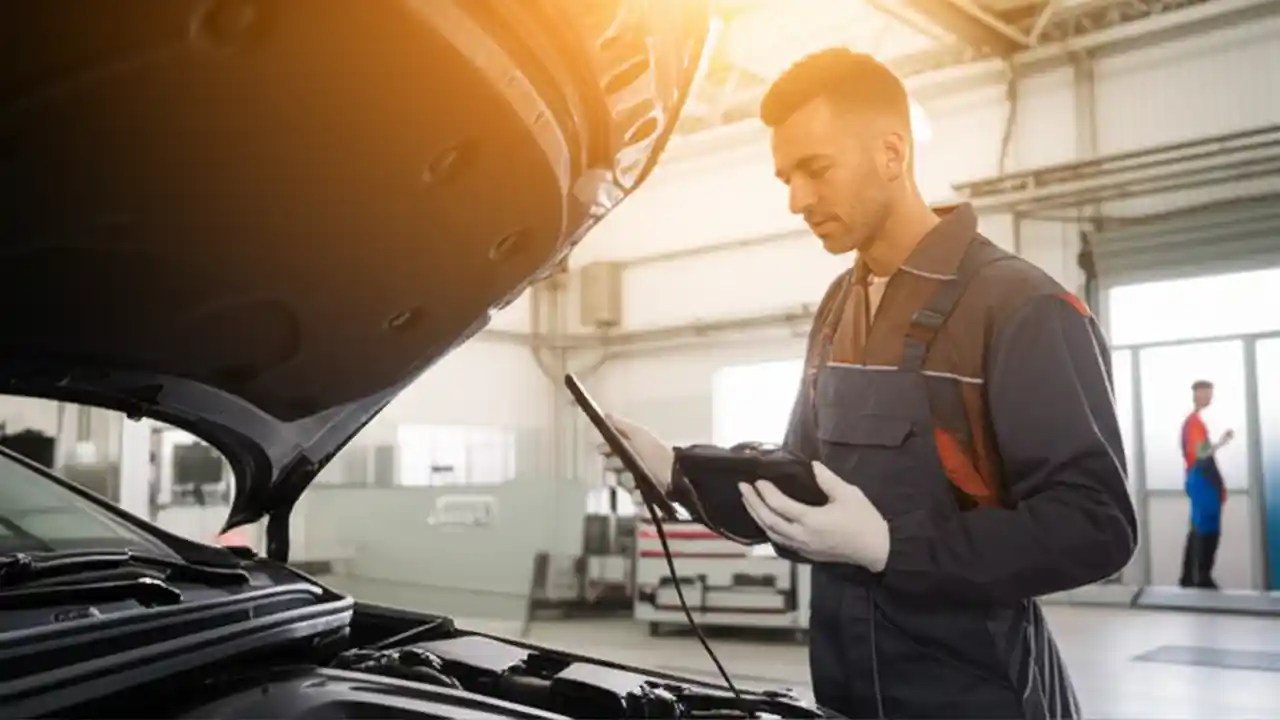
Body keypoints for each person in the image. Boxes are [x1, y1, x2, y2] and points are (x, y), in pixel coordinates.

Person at [609, 48, 1137, 720]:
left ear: (892, 153)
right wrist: (680, 471)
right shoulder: (841, 303)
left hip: (980, 697)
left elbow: (1094, 525)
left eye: (816, 169)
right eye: (785, 178)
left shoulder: (1020, 307)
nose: (797, 199)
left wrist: (891, 547)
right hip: (849, 690)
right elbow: (802, 483)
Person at [1179, 379, 1232, 589]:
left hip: (1201, 478)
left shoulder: (1195, 422)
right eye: (1206, 393)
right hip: (1201, 478)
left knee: (1198, 527)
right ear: (1197, 394)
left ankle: (1190, 578)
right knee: (1207, 528)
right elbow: (1201, 454)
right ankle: (1201, 577)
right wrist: (1222, 441)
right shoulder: (1194, 423)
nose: (1209, 397)